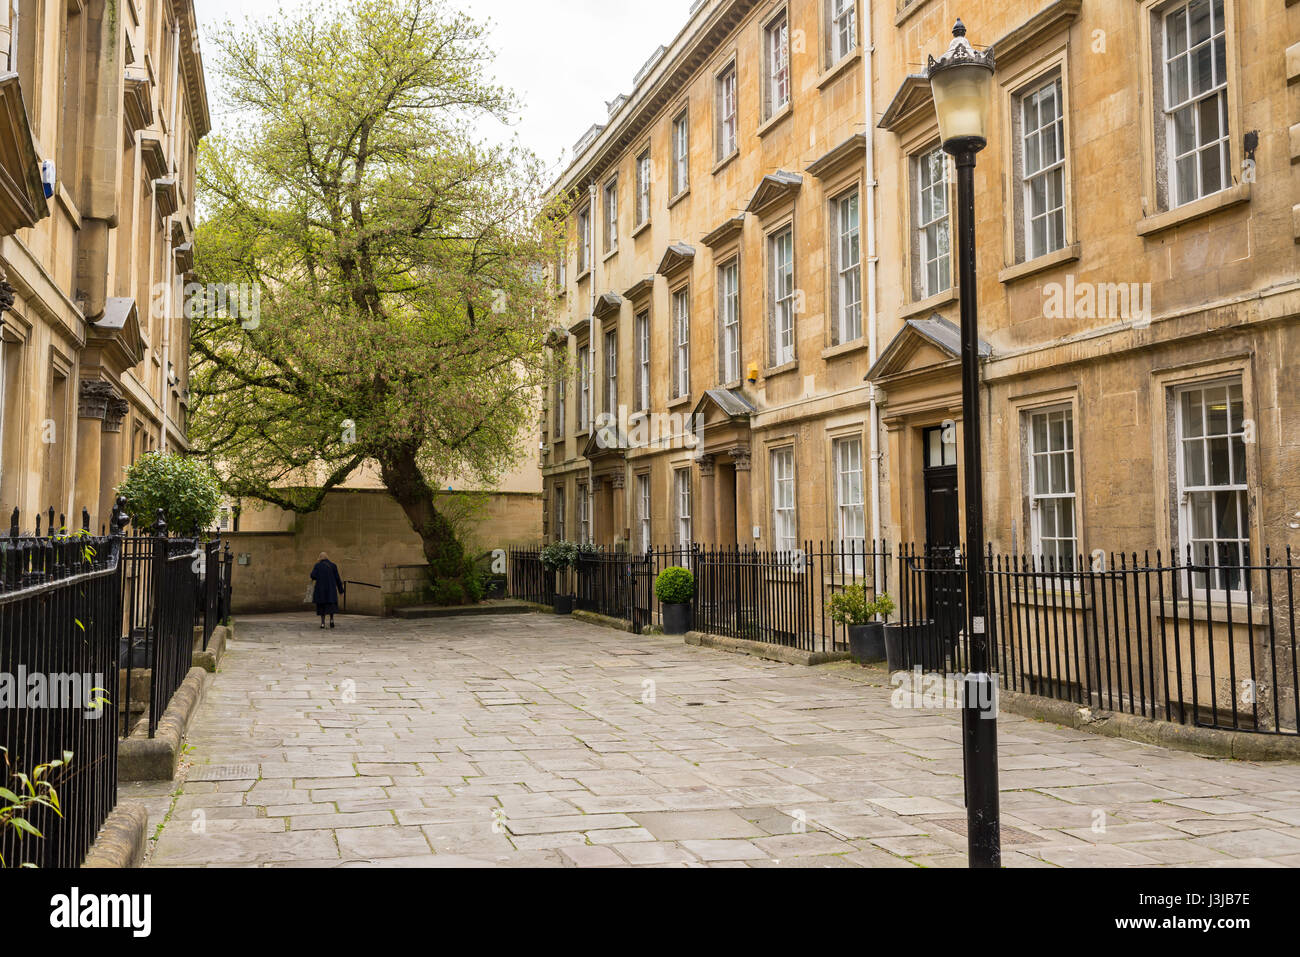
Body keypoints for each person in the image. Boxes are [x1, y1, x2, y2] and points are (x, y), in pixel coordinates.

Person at [310, 552, 345, 629]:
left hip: (320, 590)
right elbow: (337, 579)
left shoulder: (317, 566)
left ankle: (322, 623)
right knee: (331, 605)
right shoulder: (333, 565)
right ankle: (331, 620)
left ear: (320, 558)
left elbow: (312, 575)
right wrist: (341, 590)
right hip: (331, 590)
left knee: (321, 606)